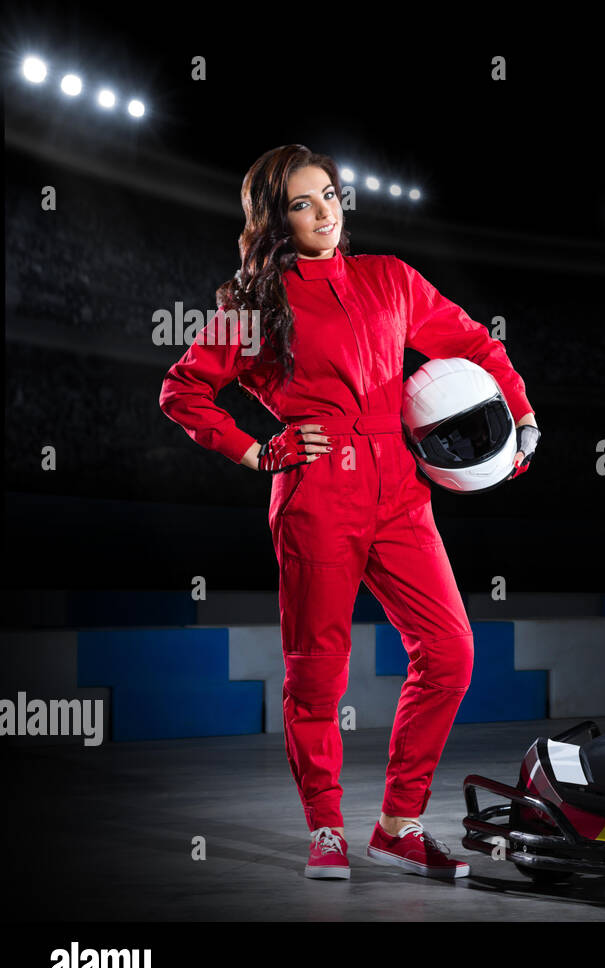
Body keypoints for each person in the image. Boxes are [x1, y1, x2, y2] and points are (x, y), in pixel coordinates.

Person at [159, 144, 538, 881]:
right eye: (303, 203)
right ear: (276, 218)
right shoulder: (252, 305)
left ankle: (399, 823)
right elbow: (183, 391)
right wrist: (255, 450)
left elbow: (470, 341)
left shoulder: (390, 278)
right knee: (317, 677)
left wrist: (520, 413)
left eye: (330, 195)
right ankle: (326, 828)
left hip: (401, 491)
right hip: (315, 495)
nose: (325, 212)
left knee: (451, 652)